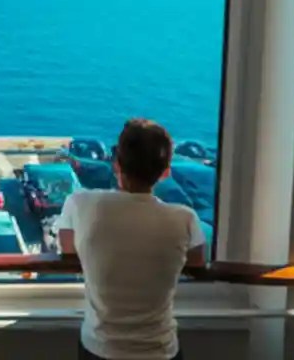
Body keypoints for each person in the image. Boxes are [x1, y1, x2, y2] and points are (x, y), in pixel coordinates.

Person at [56, 119, 206, 360]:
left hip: (100, 349)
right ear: (166, 171)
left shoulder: (81, 204)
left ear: (116, 165)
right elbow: (196, 263)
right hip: (160, 351)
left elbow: (68, 250)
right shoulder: (185, 219)